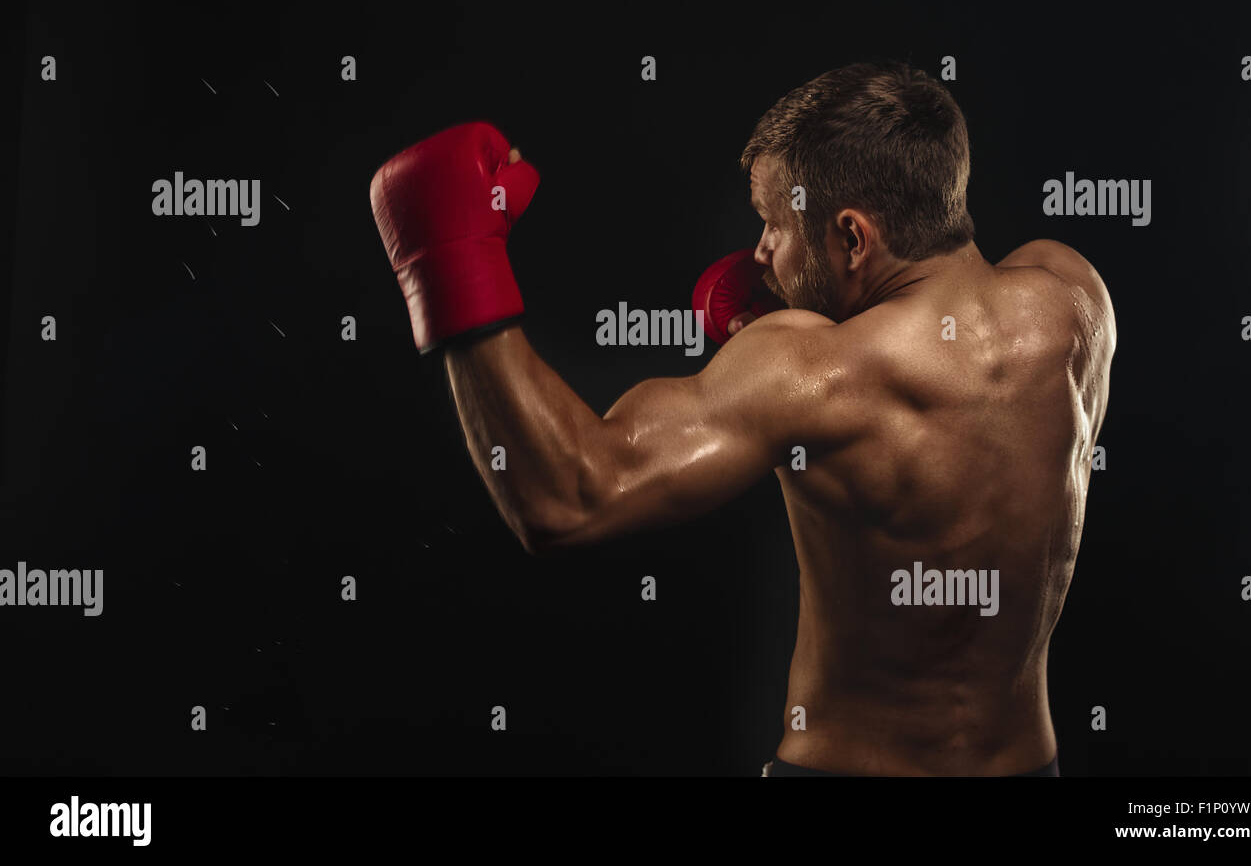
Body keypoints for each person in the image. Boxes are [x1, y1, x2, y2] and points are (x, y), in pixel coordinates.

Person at [369, 60, 1116, 776]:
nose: (759, 253)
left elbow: (568, 497)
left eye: (772, 223)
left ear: (852, 237)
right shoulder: (1073, 298)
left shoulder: (813, 370)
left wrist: (450, 264)